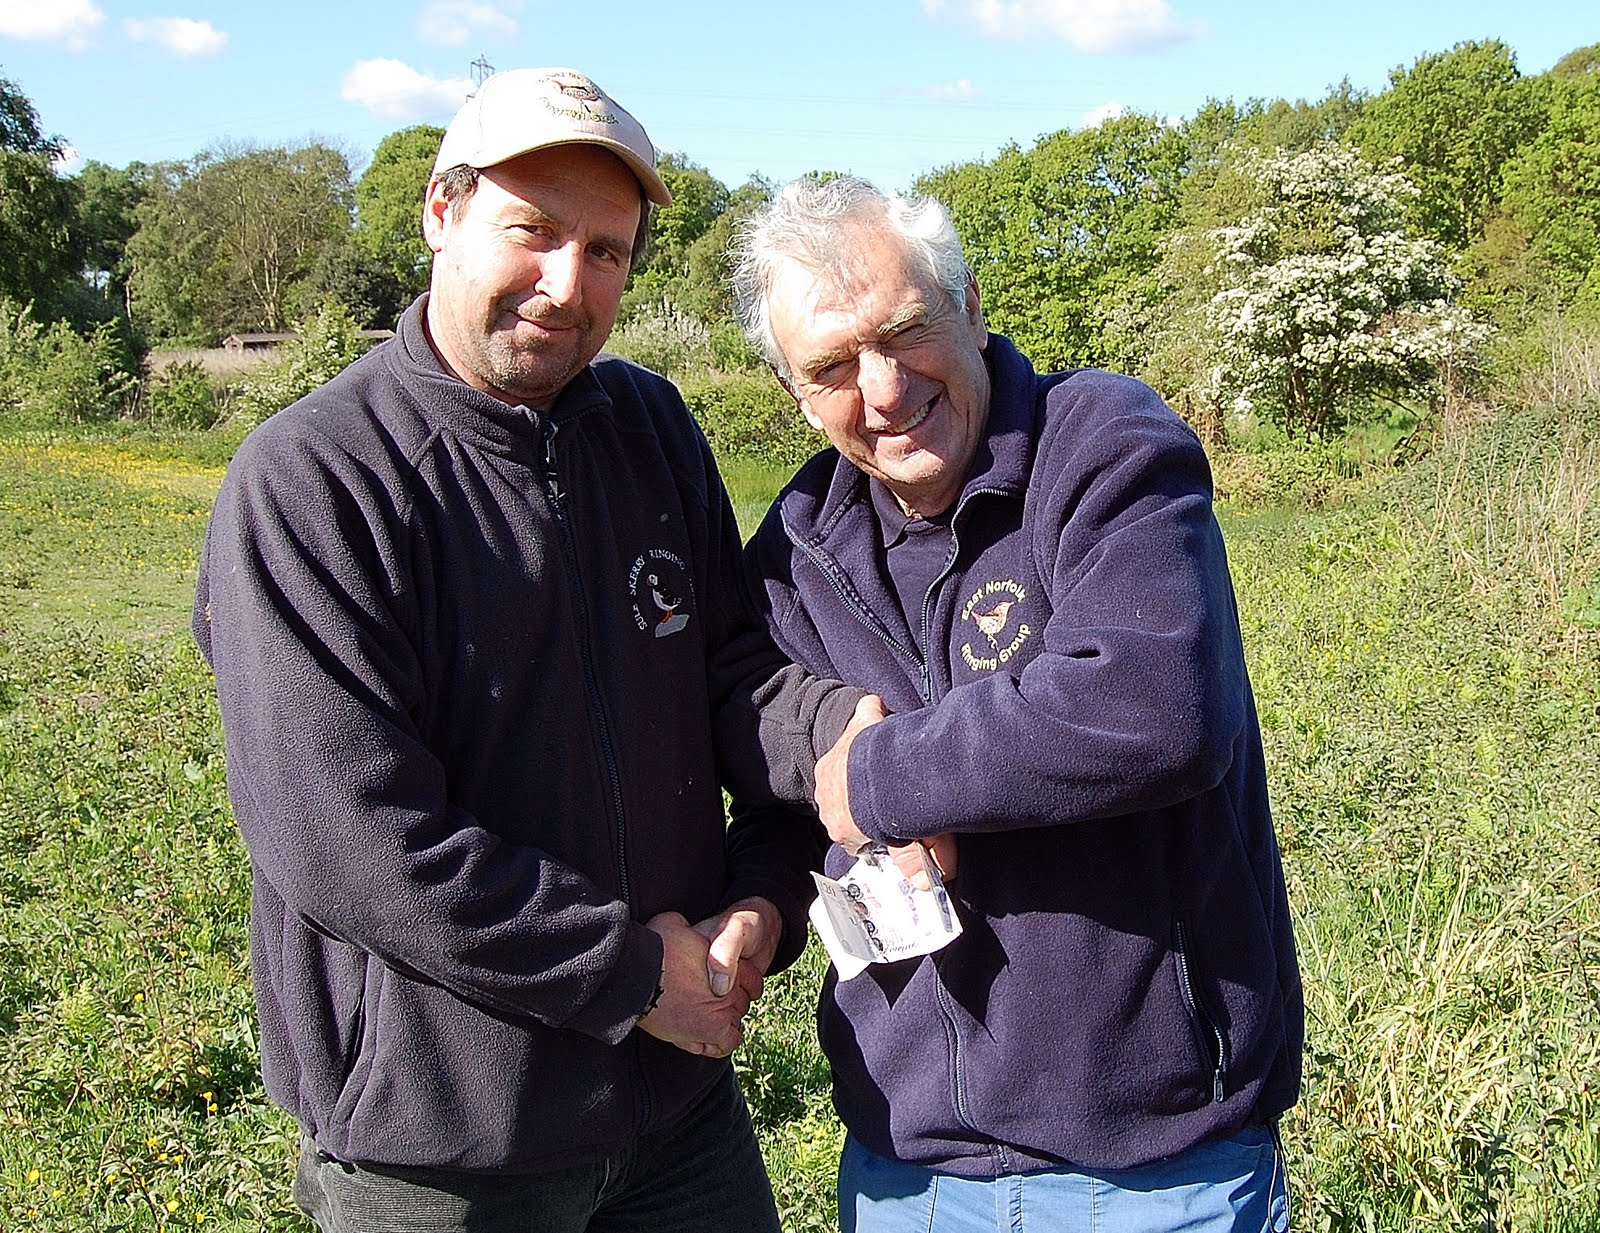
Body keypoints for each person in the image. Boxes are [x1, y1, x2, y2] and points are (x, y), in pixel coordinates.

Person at [192, 68, 862, 1233]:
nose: (567, 285)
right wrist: (629, 974)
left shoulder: (647, 426)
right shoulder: (314, 483)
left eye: (606, 250)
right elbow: (351, 838)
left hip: (677, 1111)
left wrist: (764, 896)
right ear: (440, 215)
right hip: (445, 1145)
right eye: (533, 231)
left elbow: (735, 680)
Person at [727, 176, 1305, 1232]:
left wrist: (881, 777)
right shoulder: (799, 543)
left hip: (1153, 1164)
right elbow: (758, 736)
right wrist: (757, 902)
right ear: (793, 391)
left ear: (972, 306)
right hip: (906, 1169)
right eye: (831, 368)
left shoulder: (1102, 444)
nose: (885, 389)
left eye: (905, 332)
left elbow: (1150, 706)